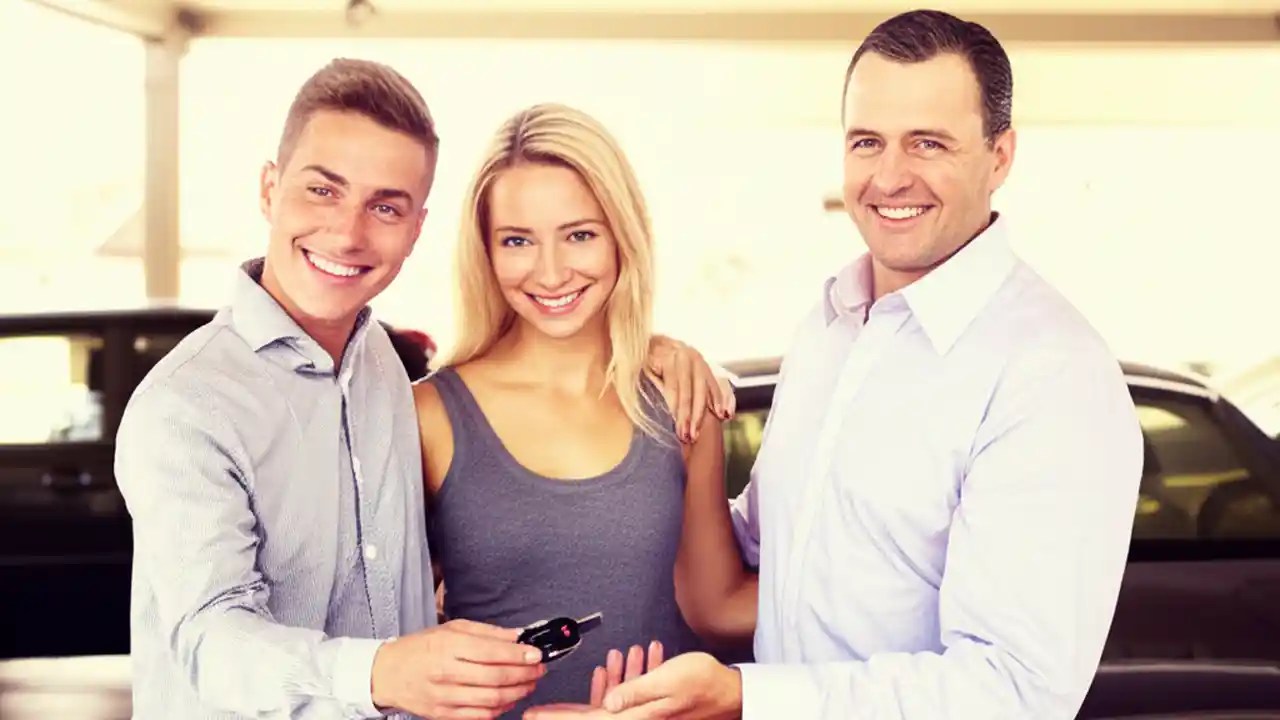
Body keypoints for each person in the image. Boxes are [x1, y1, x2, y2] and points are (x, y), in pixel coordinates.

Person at [529, 9, 1144, 720]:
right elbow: (758, 566)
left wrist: (744, 697)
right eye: (866, 141)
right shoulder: (830, 329)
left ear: (1000, 156)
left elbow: (1015, 692)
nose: (889, 176)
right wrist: (672, 395)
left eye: (928, 143)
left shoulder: (1052, 375)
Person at [114, 59, 732, 720]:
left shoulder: (378, 365)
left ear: (417, 226)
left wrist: (656, 350)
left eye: (384, 205)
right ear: (269, 188)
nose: (348, 233)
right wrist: (382, 672)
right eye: (323, 191)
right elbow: (208, 641)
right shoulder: (185, 406)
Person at [414, 103, 758, 720]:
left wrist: (912, 588)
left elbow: (718, 607)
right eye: (518, 240)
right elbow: (393, 646)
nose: (551, 272)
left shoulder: (680, 404)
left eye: (579, 234)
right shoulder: (429, 417)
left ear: (621, 234)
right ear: (486, 253)